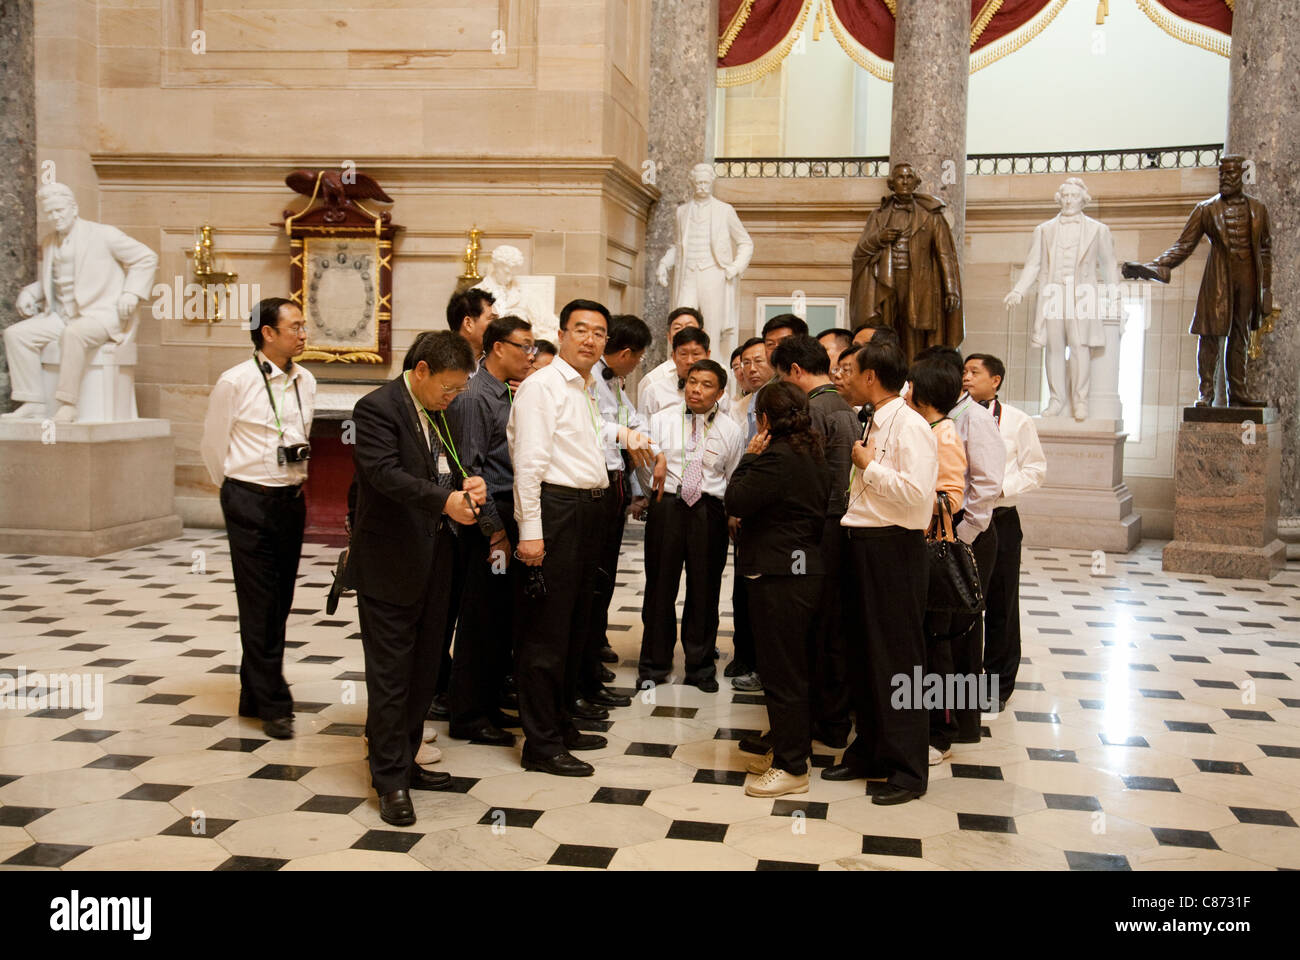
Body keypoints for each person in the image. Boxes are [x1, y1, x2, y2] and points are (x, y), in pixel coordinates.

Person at [345, 331, 487, 826]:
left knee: (426, 671)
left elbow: (440, 465)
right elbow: (383, 474)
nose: (453, 397)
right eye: (448, 387)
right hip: (389, 563)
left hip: (435, 558)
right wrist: (442, 499)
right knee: (391, 676)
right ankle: (388, 779)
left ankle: (406, 761)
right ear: (422, 370)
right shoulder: (376, 408)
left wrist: (466, 482)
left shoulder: (436, 408)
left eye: (459, 389)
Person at [825, 339, 937, 805]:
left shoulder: (911, 426)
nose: (843, 378)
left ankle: (908, 769)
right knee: (863, 655)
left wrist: (868, 468)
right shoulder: (872, 419)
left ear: (871, 376)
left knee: (897, 660)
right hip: (861, 546)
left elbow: (918, 499)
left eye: (849, 370)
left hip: (893, 549)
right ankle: (870, 750)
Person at [200, 297, 316, 741]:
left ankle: (254, 692)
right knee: (259, 600)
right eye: (295, 326)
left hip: (290, 498)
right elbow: (213, 445)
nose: (303, 334)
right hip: (249, 498)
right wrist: (236, 490)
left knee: (279, 600)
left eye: (304, 326)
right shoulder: (236, 380)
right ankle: (274, 702)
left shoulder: (306, 379)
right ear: (268, 332)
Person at [508, 299, 614, 777]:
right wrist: (531, 532)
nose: (590, 340)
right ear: (563, 333)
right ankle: (541, 744)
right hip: (557, 510)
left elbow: (582, 442)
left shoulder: (585, 387)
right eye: (581, 330)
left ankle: (561, 721)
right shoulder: (541, 387)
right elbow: (528, 465)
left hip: (588, 509)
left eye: (598, 333)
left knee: (576, 624)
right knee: (546, 631)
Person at [725, 381, 831, 798]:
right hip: (801, 572)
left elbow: (735, 500)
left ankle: (792, 767)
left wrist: (748, 459)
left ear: (764, 420)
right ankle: (790, 749)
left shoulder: (775, 459)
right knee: (791, 668)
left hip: (780, 574)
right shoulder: (811, 452)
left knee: (782, 672)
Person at [442, 315, 538, 748]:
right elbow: (469, 471)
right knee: (479, 618)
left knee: (499, 618)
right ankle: (466, 714)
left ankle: (485, 701)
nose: (530, 356)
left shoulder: (505, 392)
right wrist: (495, 532)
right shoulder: (475, 396)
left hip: (505, 515)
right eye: (524, 347)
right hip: (488, 519)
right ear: (498, 347)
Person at [4, 183, 158, 422]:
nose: (55, 217)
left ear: (73, 208)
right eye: (50, 212)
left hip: (100, 315)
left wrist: (131, 293)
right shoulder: (49, 242)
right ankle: (32, 401)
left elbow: (146, 257)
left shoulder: (104, 235)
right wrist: (30, 293)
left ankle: (68, 403)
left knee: (73, 334)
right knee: (16, 334)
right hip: (61, 316)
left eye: (60, 211)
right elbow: (54, 280)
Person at [915, 346, 1004, 746]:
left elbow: (986, 486)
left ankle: (958, 726)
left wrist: (961, 536)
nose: (966, 379)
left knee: (961, 632)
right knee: (944, 634)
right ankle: (949, 723)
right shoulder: (947, 417)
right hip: (947, 535)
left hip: (969, 535)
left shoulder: (976, 419)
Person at [772, 335, 858, 748]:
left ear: (794, 371)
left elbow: (802, 476)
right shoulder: (847, 407)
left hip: (814, 530)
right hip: (844, 526)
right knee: (834, 628)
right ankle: (834, 720)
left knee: (804, 629)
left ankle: (806, 725)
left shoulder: (812, 410)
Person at [639, 359, 744, 692]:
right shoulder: (660, 421)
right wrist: (652, 494)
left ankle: (700, 667)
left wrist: (730, 512)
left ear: (720, 392)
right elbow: (644, 465)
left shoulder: (731, 429)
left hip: (708, 511)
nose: (696, 389)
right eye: (692, 382)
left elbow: (734, 474)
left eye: (706, 384)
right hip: (667, 506)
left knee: (704, 590)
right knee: (659, 588)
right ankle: (654, 665)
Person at [582, 313, 656, 713]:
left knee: (604, 574)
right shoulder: (588, 379)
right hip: (591, 486)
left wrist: (644, 437)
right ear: (626, 353)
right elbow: (603, 427)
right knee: (591, 578)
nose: (638, 363)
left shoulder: (614, 379)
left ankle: (592, 651)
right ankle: (585, 660)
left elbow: (631, 418)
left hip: (613, 484)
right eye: (638, 356)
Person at [963, 353, 1046, 710]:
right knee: (963, 599)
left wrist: (1000, 488)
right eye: (964, 371)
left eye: (974, 372)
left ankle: (999, 683)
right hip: (963, 516)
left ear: (995, 380)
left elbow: (1036, 470)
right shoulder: (955, 417)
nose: (966, 377)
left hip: (1001, 517)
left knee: (1002, 600)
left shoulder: (1017, 421)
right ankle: (962, 683)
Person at [904, 357, 967, 766]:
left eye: (911, 386)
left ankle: (940, 733)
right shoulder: (926, 429)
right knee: (920, 644)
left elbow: (952, 497)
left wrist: (905, 495)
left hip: (933, 551)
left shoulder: (943, 434)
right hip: (913, 551)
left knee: (936, 647)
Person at [725, 335, 771, 692]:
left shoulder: (783, 403)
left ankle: (762, 662)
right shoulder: (741, 408)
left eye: (759, 360)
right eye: (745, 363)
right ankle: (745, 655)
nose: (751, 368)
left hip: (771, 512)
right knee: (743, 586)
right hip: (744, 505)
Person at [637, 325, 712, 420]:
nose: (690, 361)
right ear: (674, 357)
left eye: (696, 354)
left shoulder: (715, 393)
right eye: (683, 354)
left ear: (707, 355)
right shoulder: (654, 392)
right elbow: (643, 429)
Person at [636, 307, 703, 409]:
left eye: (689, 327)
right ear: (669, 336)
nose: (684, 332)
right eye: (677, 328)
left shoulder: (718, 374)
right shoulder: (652, 380)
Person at [446, 287, 497, 359]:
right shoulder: (440, 366)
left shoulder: (497, 365)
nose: (498, 325)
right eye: (492, 319)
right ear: (468, 324)